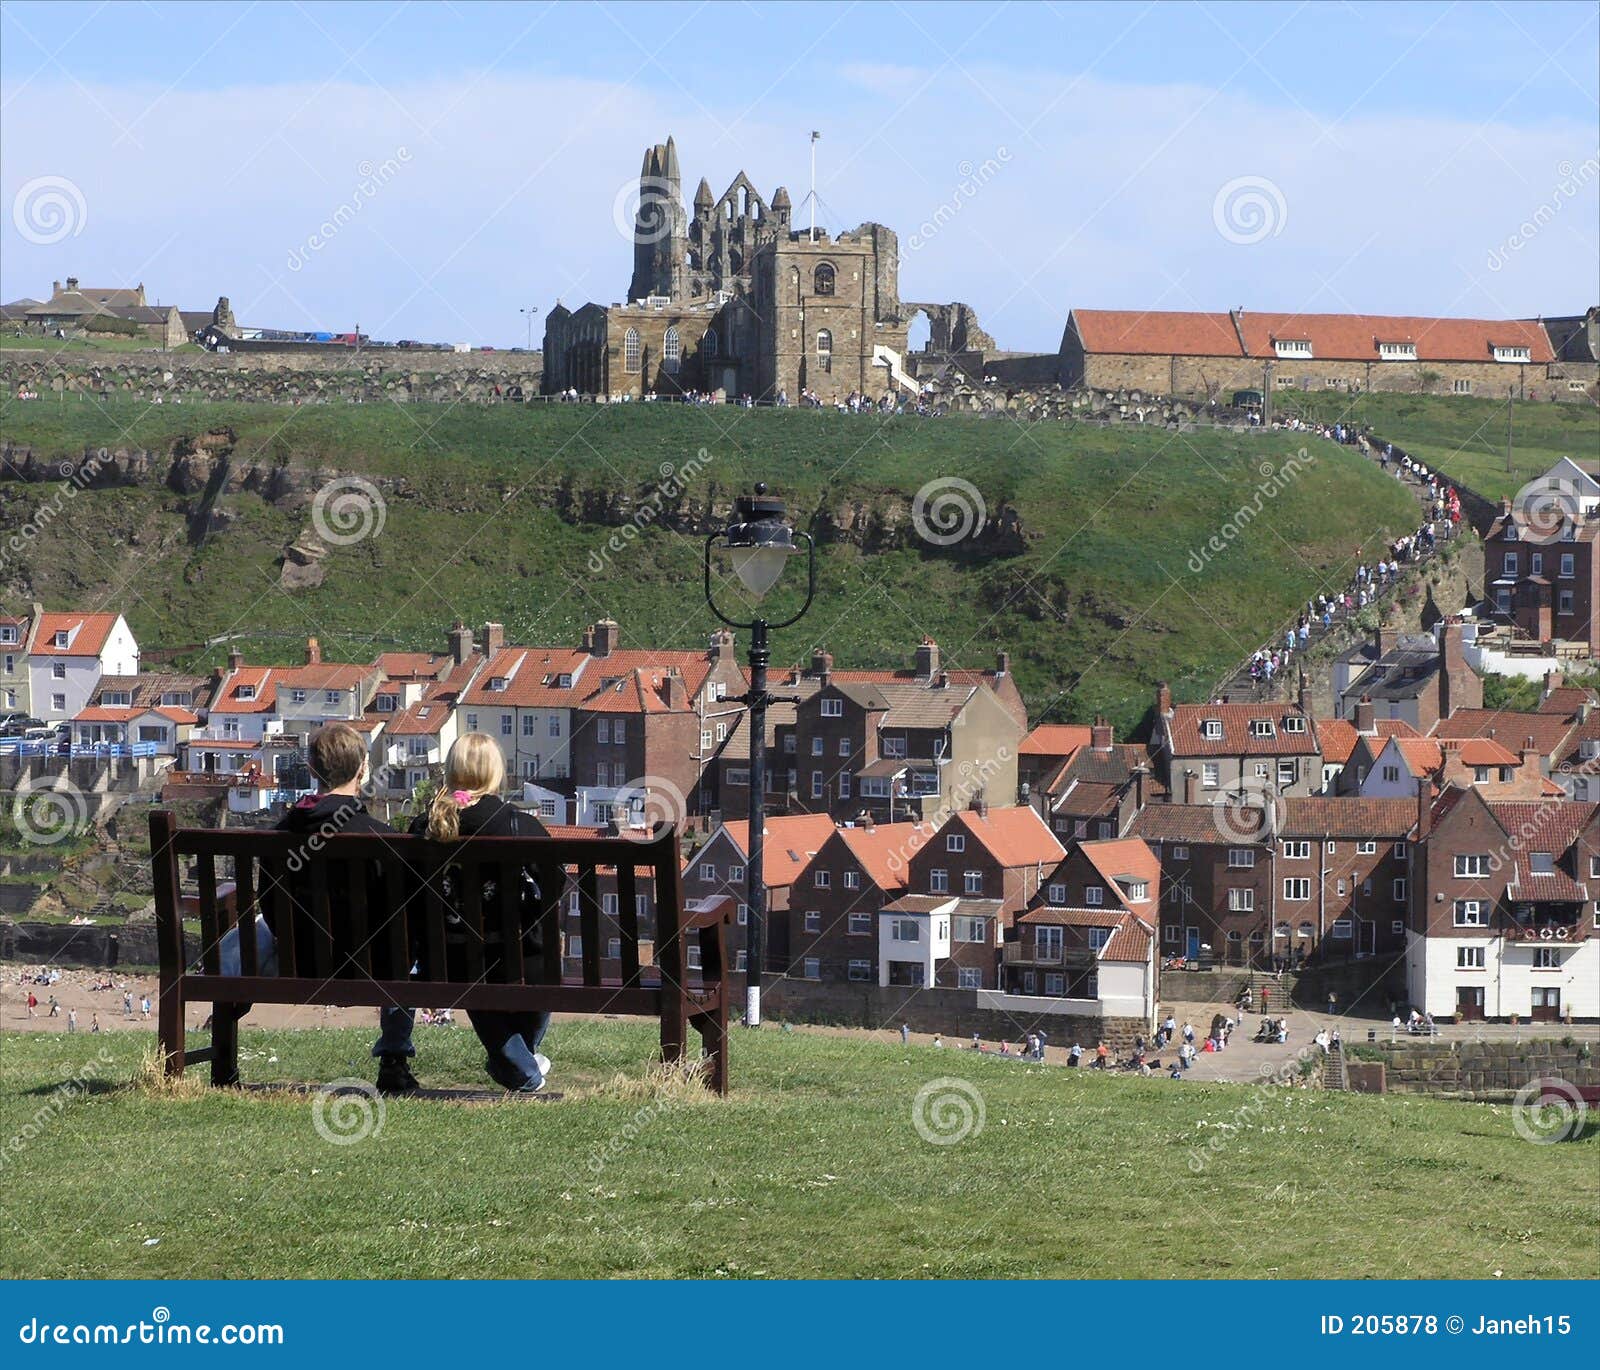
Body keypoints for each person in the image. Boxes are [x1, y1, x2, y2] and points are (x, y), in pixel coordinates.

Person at [275, 723, 419, 1097]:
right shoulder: (384, 838)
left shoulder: (279, 834)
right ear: (363, 771)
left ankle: (223, 1056)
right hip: (377, 966)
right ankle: (393, 1060)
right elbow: (404, 910)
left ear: (311, 770)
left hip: (300, 961)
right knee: (406, 944)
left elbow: (271, 908)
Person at [410, 732, 554, 1094]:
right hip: (515, 959)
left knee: (471, 968)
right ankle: (524, 1071)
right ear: (495, 773)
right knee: (539, 962)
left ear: (451, 771)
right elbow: (552, 888)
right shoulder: (519, 826)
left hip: (447, 958)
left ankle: (518, 1063)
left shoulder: (423, 826)